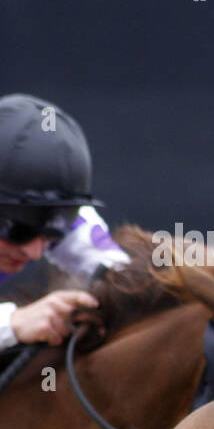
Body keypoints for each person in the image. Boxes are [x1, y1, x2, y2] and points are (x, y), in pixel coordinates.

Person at [0, 94, 129, 351]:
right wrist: (12, 323)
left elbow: (124, 276)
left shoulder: (54, 213)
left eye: (52, 235)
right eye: (18, 231)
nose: (35, 252)